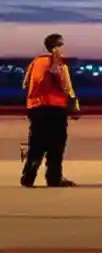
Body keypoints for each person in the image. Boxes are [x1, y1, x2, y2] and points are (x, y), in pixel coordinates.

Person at [20, 33, 79, 188]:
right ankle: (54, 178)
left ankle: (28, 177)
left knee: (37, 143)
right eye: (62, 45)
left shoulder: (35, 62)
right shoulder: (56, 63)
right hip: (53, 108)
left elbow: (25, 83)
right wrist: (73, 105)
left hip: (36, 107)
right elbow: (64, 86)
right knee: (56, 145)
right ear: (56, 47)